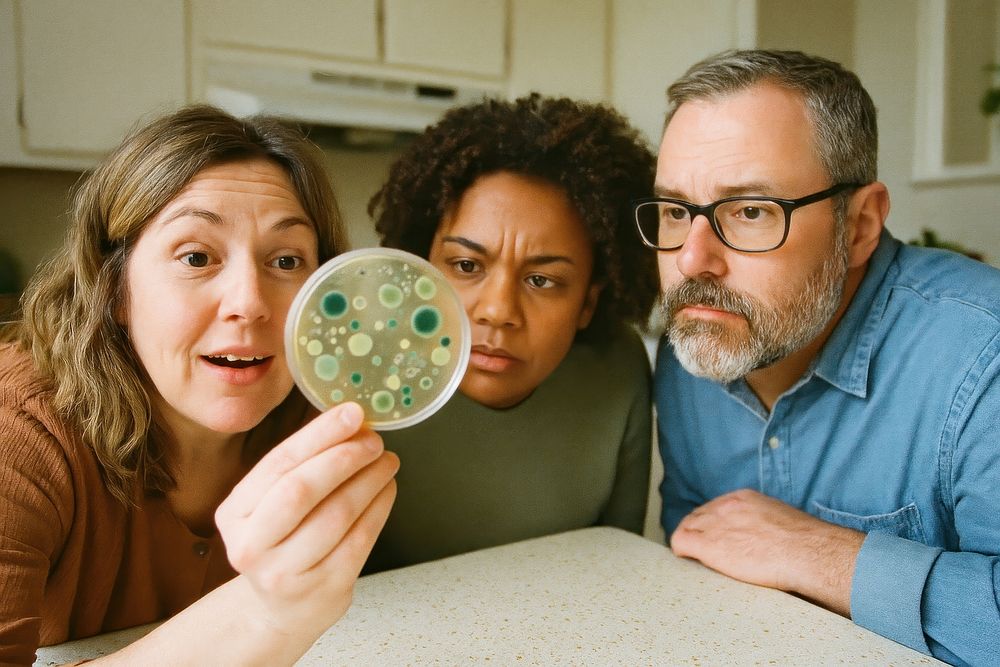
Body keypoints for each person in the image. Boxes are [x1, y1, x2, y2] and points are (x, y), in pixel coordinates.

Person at [0, 105, 399, 665]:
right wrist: (261, 615)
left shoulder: (320, 424)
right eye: (196, 256)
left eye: (286, 260)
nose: (250, 302)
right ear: (114, 289)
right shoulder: (16, 432)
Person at [641, 49, 1000, 664]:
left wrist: (815, 553)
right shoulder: (695, 347)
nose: (692, 261)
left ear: (859, 225)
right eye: (677, 212)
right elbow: (696, 564)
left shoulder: (981, 357)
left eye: (751, 211)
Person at [364, 94, 659, 571]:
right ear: (421, 270)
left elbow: (615, 571)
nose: (498, 311)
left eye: (542, 280)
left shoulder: (617, 368)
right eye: (465, 265)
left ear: (587, 302)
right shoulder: (364, 374)